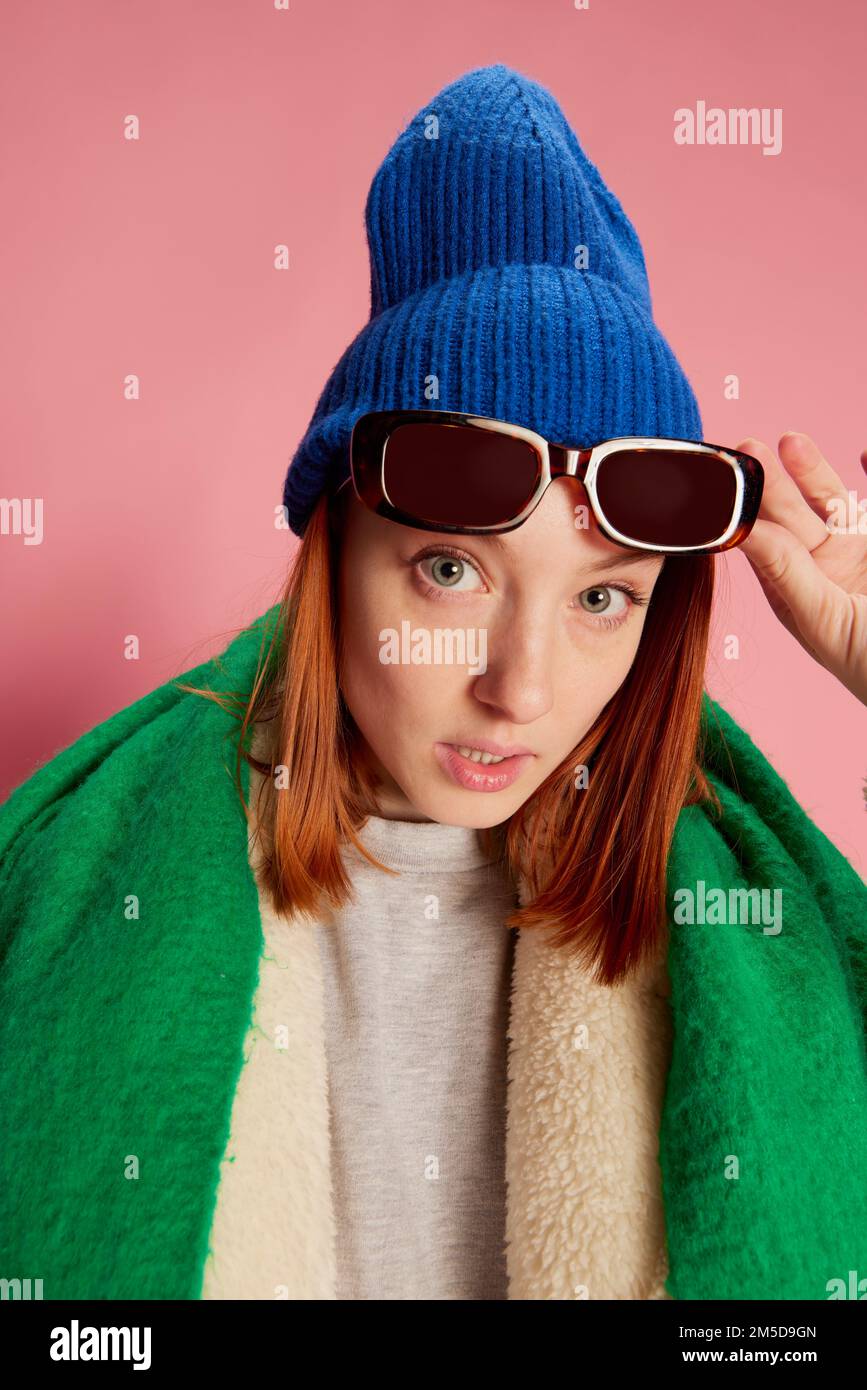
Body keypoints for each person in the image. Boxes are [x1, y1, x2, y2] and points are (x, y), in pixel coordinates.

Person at [1, 63, 865, 1304]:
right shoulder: (71, 875)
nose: (523, 689)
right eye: (452, 571)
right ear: (335, 545)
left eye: (603, 596)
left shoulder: (757, 918)